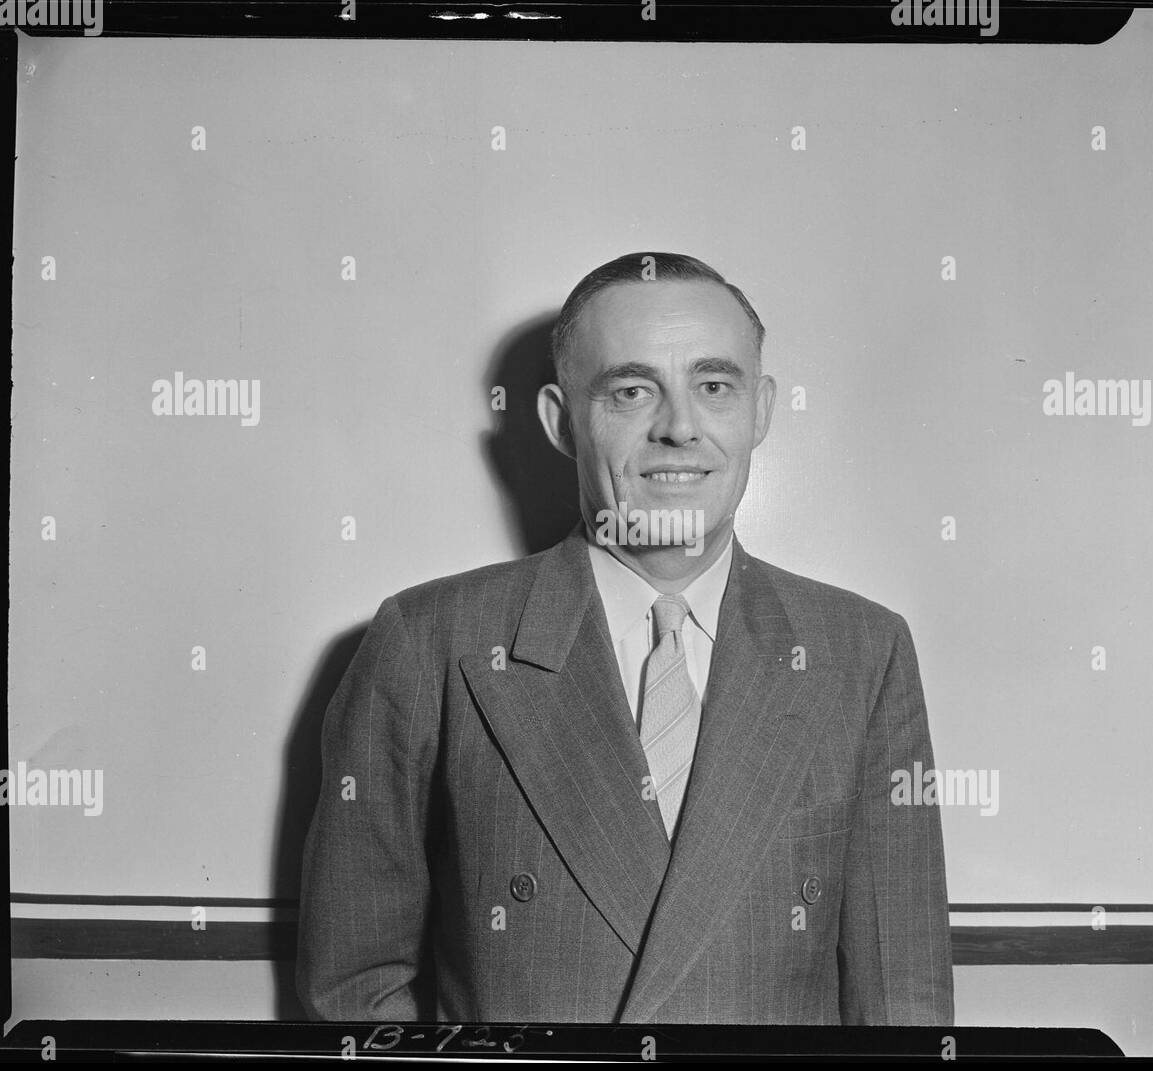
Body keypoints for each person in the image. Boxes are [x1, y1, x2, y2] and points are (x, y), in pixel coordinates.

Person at [296, 252, 954, 1025]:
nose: (679, 427)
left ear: (761, 410)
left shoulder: (862, 653)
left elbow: (903, 1006)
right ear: (561, 421)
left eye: (714, 386)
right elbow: (354, 989)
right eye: (632, 390)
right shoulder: (431, 643)